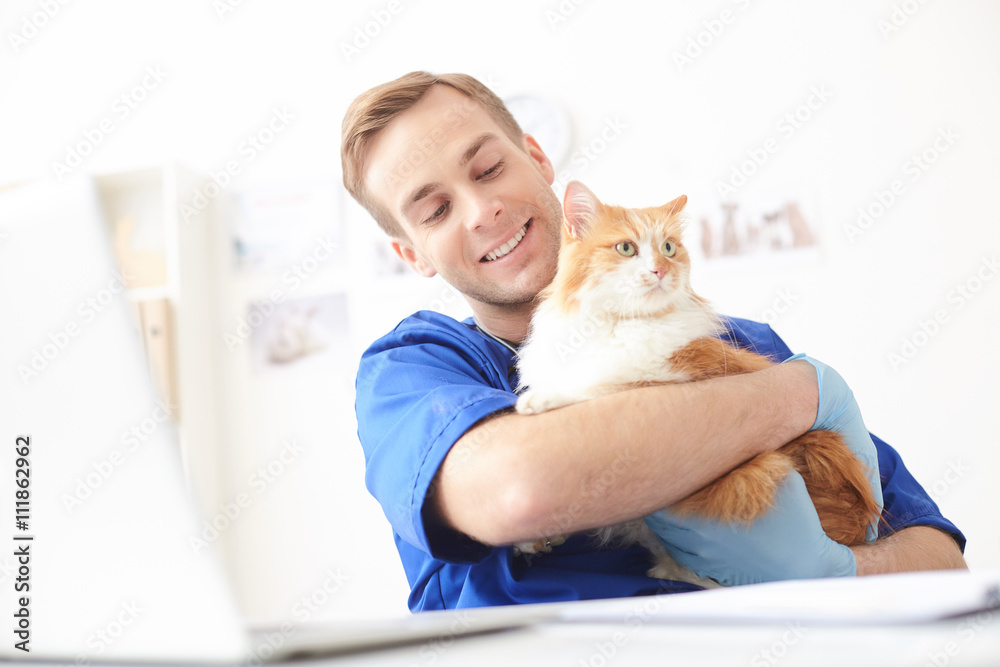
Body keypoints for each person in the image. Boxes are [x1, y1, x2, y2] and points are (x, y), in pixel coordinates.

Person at [342, 71, 967, 611]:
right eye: (434, 211)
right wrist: (795, 394)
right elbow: (520, 490)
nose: (480, 210)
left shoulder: (739, 342)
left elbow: (940, 562)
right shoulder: (414, 371)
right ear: (411, 253)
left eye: (489, 168)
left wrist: (845, 573)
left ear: (537, 157)